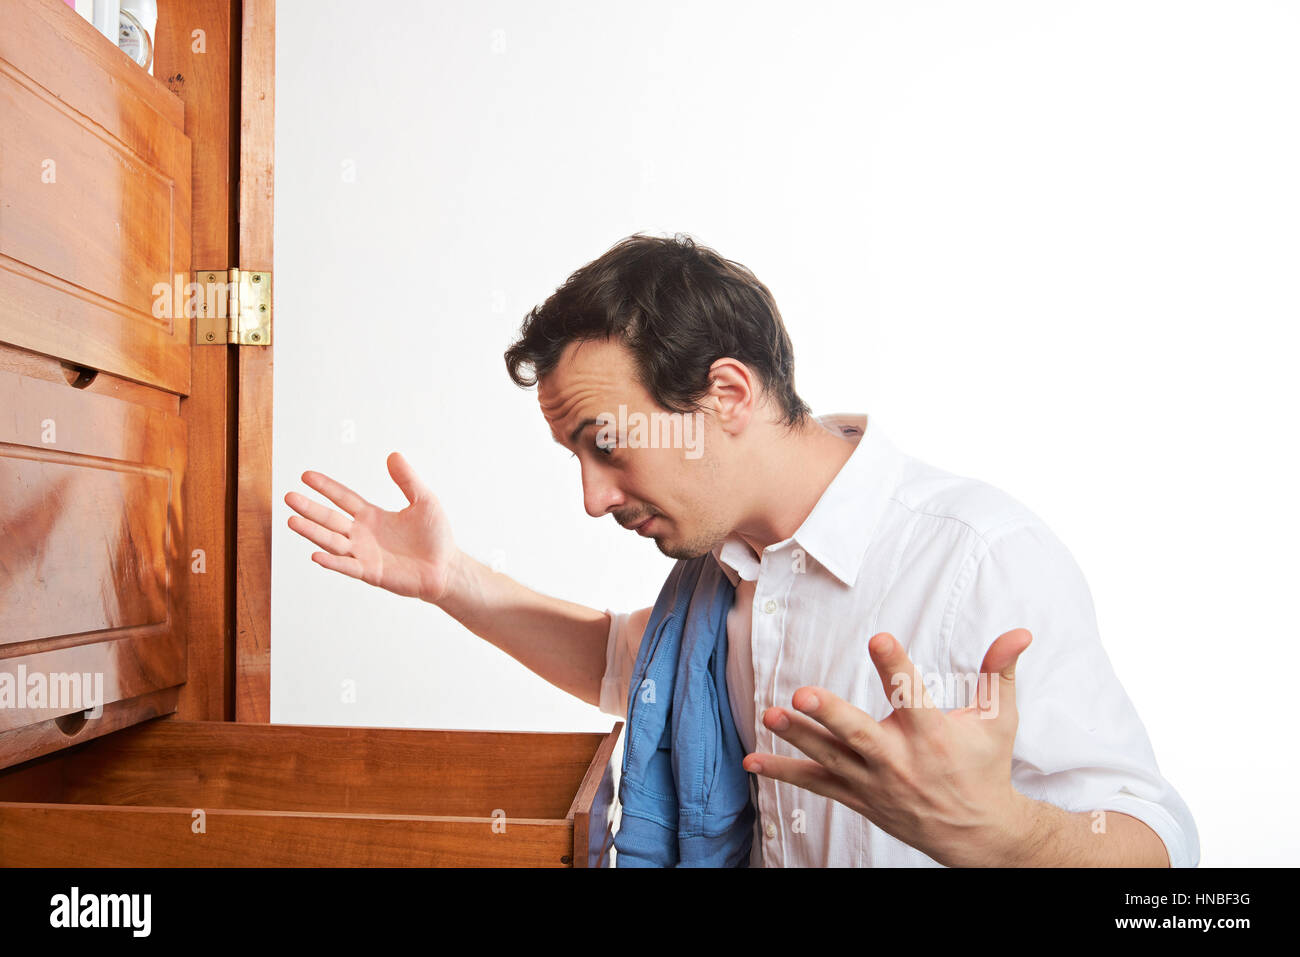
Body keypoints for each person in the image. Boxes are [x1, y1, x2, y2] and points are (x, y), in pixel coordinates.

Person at [285, 233, 1198, 867]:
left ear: (726, 392)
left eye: (607, 444)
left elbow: (1170, 862)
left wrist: (1001, 833)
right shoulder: (723, 579)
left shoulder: (976, 560)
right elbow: (621, 661)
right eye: (575, 458)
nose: (594, 496)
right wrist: (451, 580)